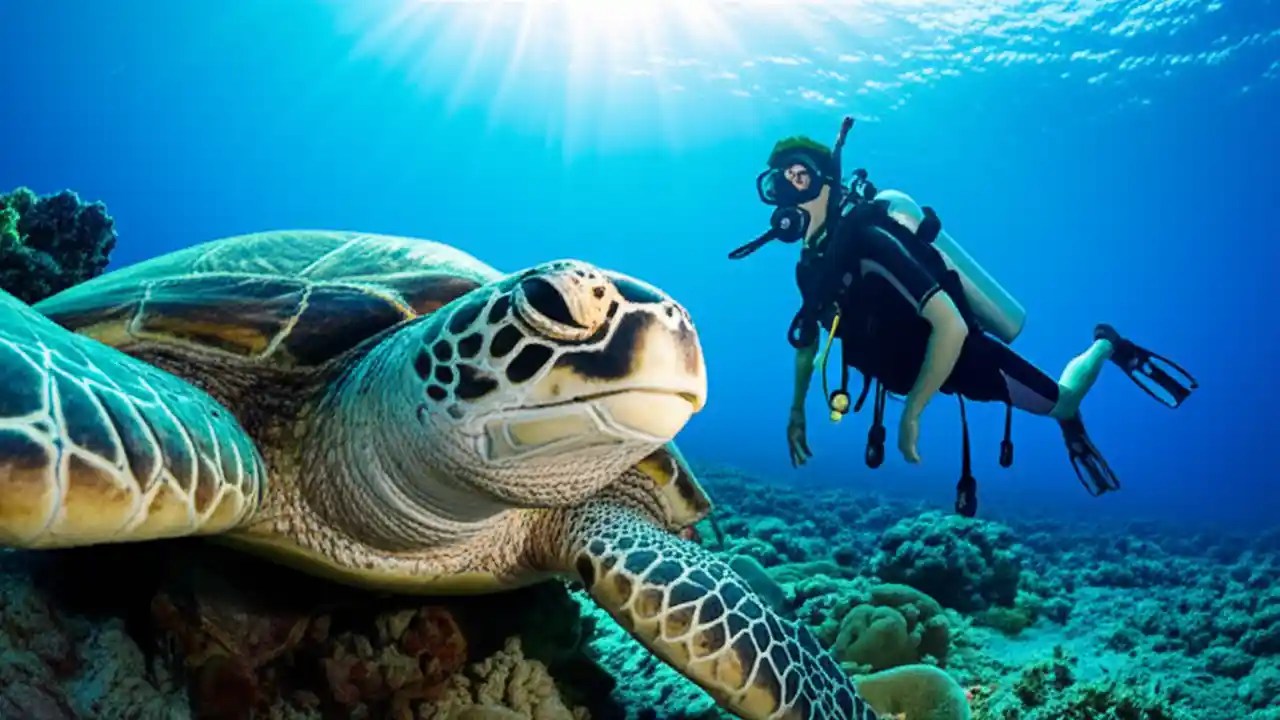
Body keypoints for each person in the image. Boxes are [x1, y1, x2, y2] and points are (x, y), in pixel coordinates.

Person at [727, 116, 1199, 516]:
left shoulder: (870, 239)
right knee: (1050, 403)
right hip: (911, 372)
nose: (786, 199)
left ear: (828, 180)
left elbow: (950, 325)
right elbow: (808, 338)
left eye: (798, 178)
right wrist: (795, 409)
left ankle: (1106, 343)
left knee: (1065, 403)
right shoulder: (810, 269)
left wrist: (913, 413)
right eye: (775, 186)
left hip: (965, 361)